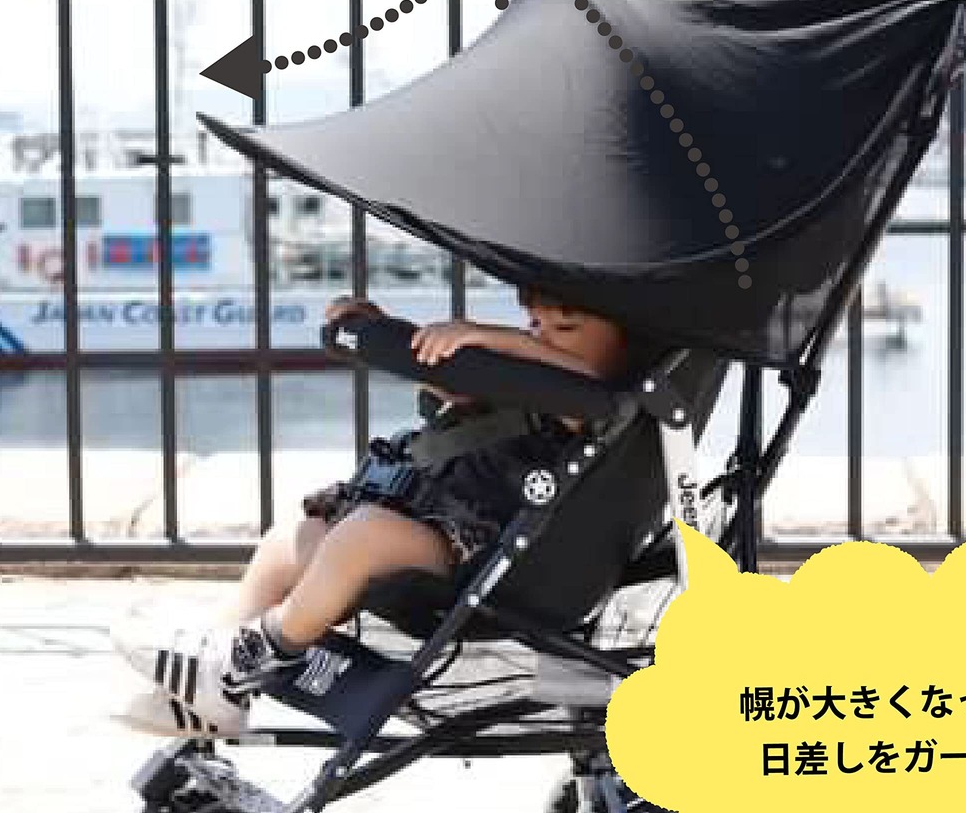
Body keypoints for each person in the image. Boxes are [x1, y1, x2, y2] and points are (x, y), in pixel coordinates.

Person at [111, 289, 632, 737]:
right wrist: (383, 329)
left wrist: (495, 338)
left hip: (475, 555)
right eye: (536, 325)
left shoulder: (596, 404)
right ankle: (210, 676)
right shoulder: (531, 387)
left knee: (363, 536)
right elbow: (460, 384)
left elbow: (584, 381)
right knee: (295, 537)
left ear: (627, 343)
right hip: (432, 527)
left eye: (565, 329)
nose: (544, 338)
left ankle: (240, 665)